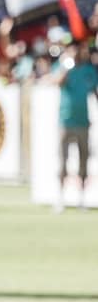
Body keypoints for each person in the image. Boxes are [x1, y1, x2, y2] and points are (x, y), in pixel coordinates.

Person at [53, 42, 98, 212]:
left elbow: (95, 91)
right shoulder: (64, 66)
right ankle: (60, 197)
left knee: (83, 160)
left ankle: (82, 198)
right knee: (62, 161)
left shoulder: (88, 70)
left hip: (83, 122)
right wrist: (66, 67)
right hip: (65, 120)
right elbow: (58, 82)